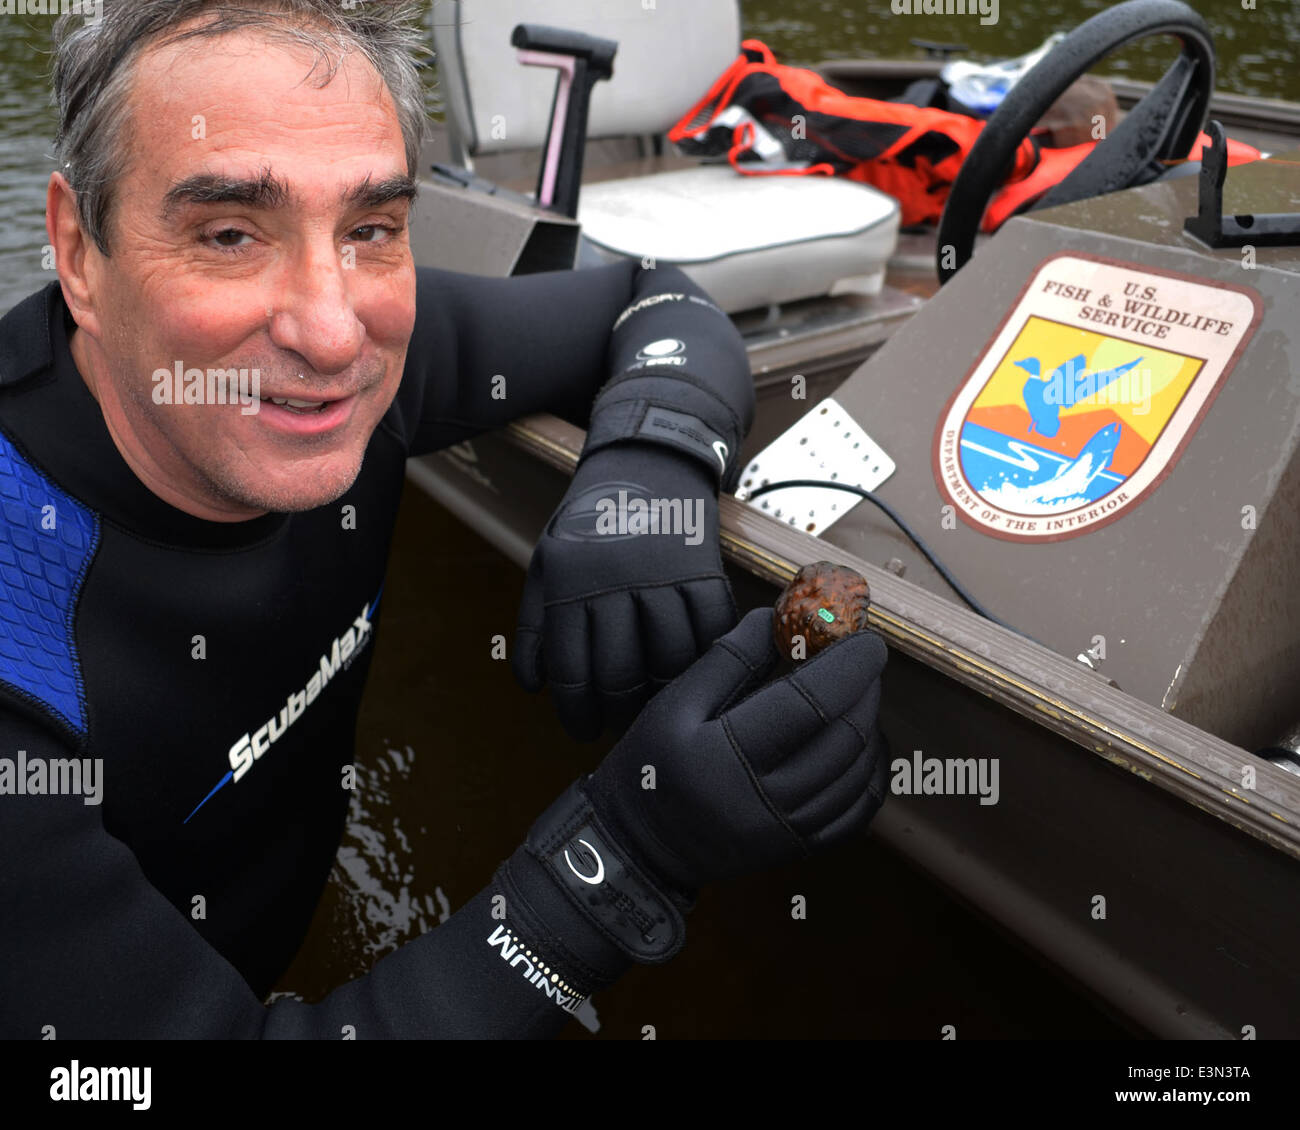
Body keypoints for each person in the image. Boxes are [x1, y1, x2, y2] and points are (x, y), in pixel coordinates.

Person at [0, 0, 889, 1037]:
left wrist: (643, 465)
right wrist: (630, 849)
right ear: (77, 250)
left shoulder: (366, 362)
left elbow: (655, 301)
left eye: (371, 226)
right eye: (231, 233)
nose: (333, 332)